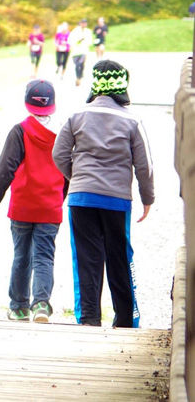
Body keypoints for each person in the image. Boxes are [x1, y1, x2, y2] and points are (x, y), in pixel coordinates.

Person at [51, 60, 154, 328]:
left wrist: (78, 179)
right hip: (117, 200)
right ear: (122, 87)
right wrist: (147, 198)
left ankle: (88, 319)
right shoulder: (132, 120)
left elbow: (59, 154)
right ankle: (124, 319)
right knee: (120, 256)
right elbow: (145, 166)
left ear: (95, 85)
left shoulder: (76, 115)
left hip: (81, 198)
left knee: (86, 258)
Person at [0, 80, 67, 323]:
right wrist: (59, 197)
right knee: (44, 256)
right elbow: (68, 170)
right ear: (52, 105)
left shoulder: (20, 131)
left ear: (27, 103)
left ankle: (19, 307)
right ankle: (41, 304)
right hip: (50, 206)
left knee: (21, 256)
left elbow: (5, 171)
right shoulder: (63, 133)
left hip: (22, 205)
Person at [68, 19, 93, 86]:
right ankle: (79, 76)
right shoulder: (75, 31)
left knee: (80, 63)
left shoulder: (88, 31)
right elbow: (70, 40)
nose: (83, 24)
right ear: (80, 23)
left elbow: (90, 41)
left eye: (85, 23)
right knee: (77, 64)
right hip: (75, 51)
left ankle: (78, 78)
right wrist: (78, 41)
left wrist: (84, 42)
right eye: (82, 23)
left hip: (83, 51)